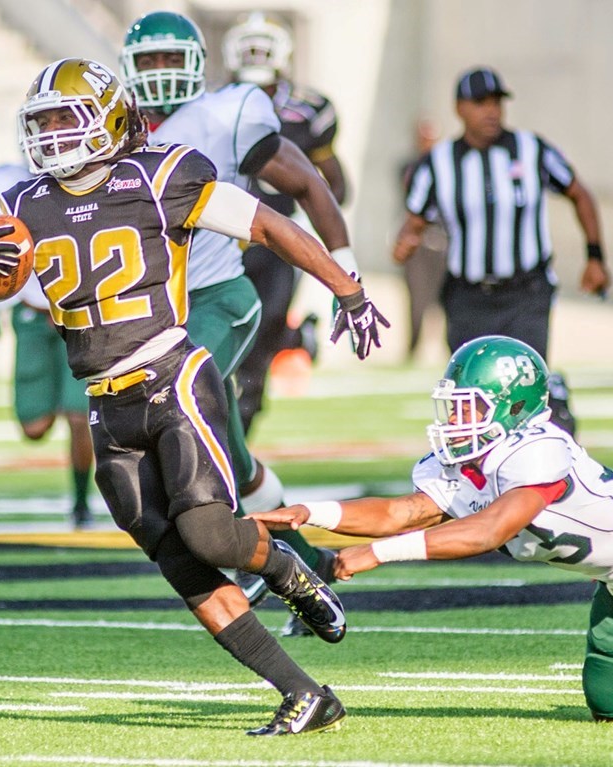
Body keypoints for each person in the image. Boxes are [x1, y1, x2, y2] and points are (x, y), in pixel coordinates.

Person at [0, 58, 387, 734]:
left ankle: (291, 570)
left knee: (208, 531)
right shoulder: (21, 205)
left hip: (171, 376)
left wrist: (346, 288)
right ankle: (303, 692)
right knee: (181, 564)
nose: (54, 134)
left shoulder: (158, 174)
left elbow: (266, 224)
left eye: (67, 118)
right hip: (104, 405)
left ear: (109, 117)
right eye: (44, 123)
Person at [248, 334, 613, 723]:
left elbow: (489, 531)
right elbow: (400, 513)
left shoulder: (538, 449)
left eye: (470, 406)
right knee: (609, 704)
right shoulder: (468, 463)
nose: (456, 420)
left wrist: (379, 554)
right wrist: (311, 512)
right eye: (453, 407)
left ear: (514, 406)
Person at [119, 11, 381, 636]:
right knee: (234, 463)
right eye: (146, 61)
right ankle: (306, 566)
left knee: (175, 413)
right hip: (155, 314)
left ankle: (232, 557)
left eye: (168, 60)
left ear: (196, 64)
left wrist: (345, 275)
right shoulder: (109, 128)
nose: (157, 74)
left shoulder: (227, 114)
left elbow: (311, 187)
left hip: (218, 297)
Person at [392, 66, 612, 435]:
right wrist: (405, 243)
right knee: (471, 396)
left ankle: (547, 461)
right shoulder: (439, 164)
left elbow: (579, 193)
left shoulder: (532, 150)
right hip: (467, 296)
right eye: (481, 103)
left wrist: (595, 257)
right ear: (460, 108)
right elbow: (414, 221)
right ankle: (480, 484)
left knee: (525, 389)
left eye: (496, 102)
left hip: (526, 292)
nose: (491, 111)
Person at [221, 11, 348, 433]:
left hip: (278, 242)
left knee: (265, 330)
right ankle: (295, 340)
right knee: (227, 332)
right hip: (223, 241)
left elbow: (334, 185)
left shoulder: (308, 111)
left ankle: (241, 440)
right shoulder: (214, 109)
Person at [0, 163, 94, 529]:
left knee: (79, 417)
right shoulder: (1, 183)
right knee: (35, 427)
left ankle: (81, 503)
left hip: (74, 312)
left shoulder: (83, 182)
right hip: (29, 312)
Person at [396, 119, 446, 361]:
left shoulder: (448, 166)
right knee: (416, 297)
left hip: (445, 240)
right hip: (418, 240)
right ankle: (413, 348)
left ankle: (453, 349)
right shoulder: (411, 166)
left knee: (447, 298)